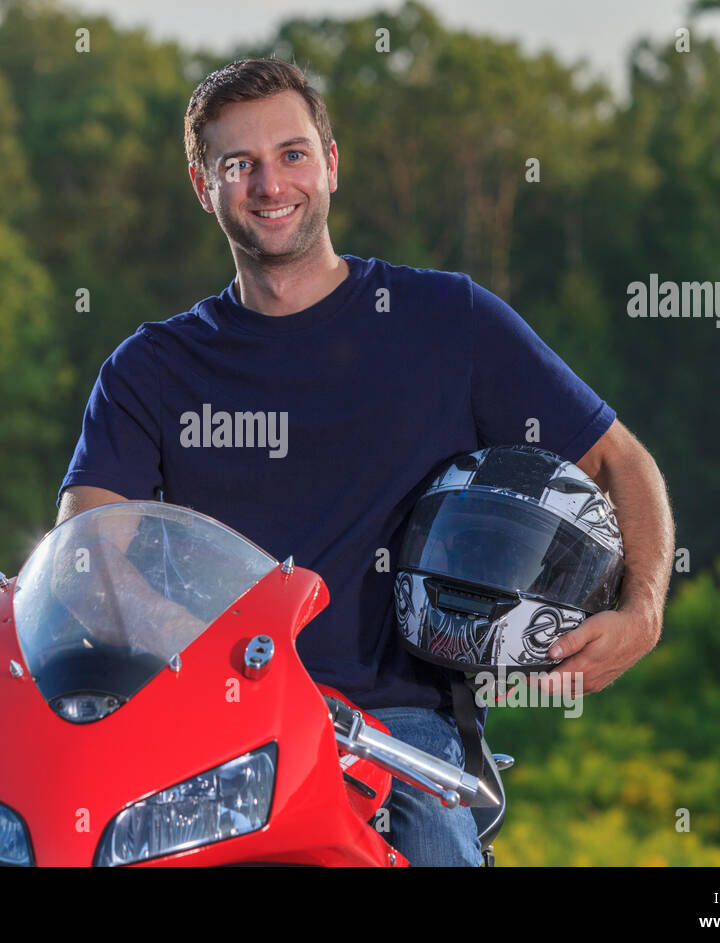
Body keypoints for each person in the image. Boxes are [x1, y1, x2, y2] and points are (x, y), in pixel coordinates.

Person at [55, 57, 675, 866]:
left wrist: (644, 610)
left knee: (436, 844)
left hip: (390, 725)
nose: (270, 184)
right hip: (208, 717)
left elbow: (620, 460)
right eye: (238, 164)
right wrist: (191, 658)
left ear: (332, 164)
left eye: (292, 154)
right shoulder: (150, 368)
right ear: (204, 186)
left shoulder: (447, 321)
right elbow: (87, 547)